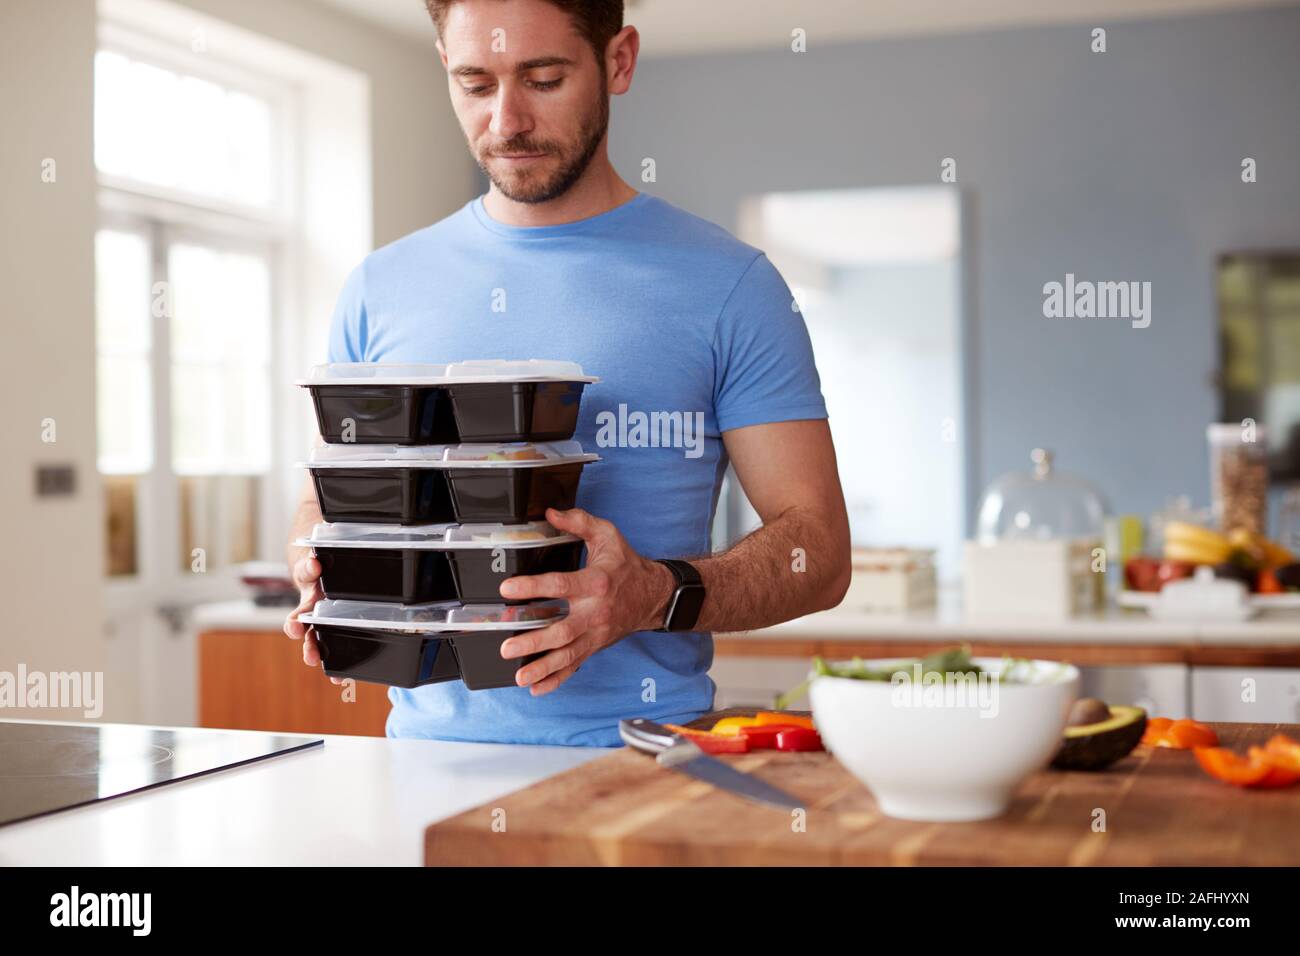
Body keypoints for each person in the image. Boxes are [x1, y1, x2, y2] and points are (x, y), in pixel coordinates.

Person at [284, 0, 850, 746]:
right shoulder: (378, 287)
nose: (506, 120)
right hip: (418, 770)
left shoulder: (729, 285)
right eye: (475, 83)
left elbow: (819, 551)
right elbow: (325, 504)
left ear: (618, 61)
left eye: (543, 79)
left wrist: (655, 594)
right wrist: (319, 565)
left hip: (641, 763)